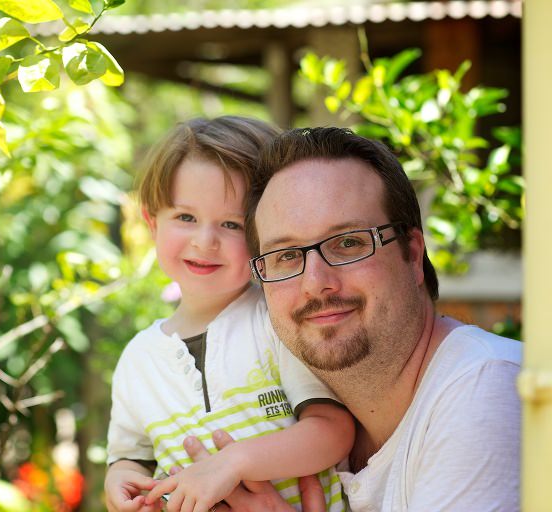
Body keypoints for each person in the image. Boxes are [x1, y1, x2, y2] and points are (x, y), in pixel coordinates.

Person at [189, 126, 521, 511]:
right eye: (286, 256)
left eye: (348, 243)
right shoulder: (311, 442)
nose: (316, 284)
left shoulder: (484, 388)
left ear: (412, 254)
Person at [105, 118, 355, 512]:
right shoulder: (138, 361)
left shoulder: (279, 321)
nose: (205, 242)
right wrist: (121, 482)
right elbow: (129, 454)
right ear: (152, 222)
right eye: (185, 218)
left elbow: (333, 432)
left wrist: (233, 463)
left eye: (231, 224)